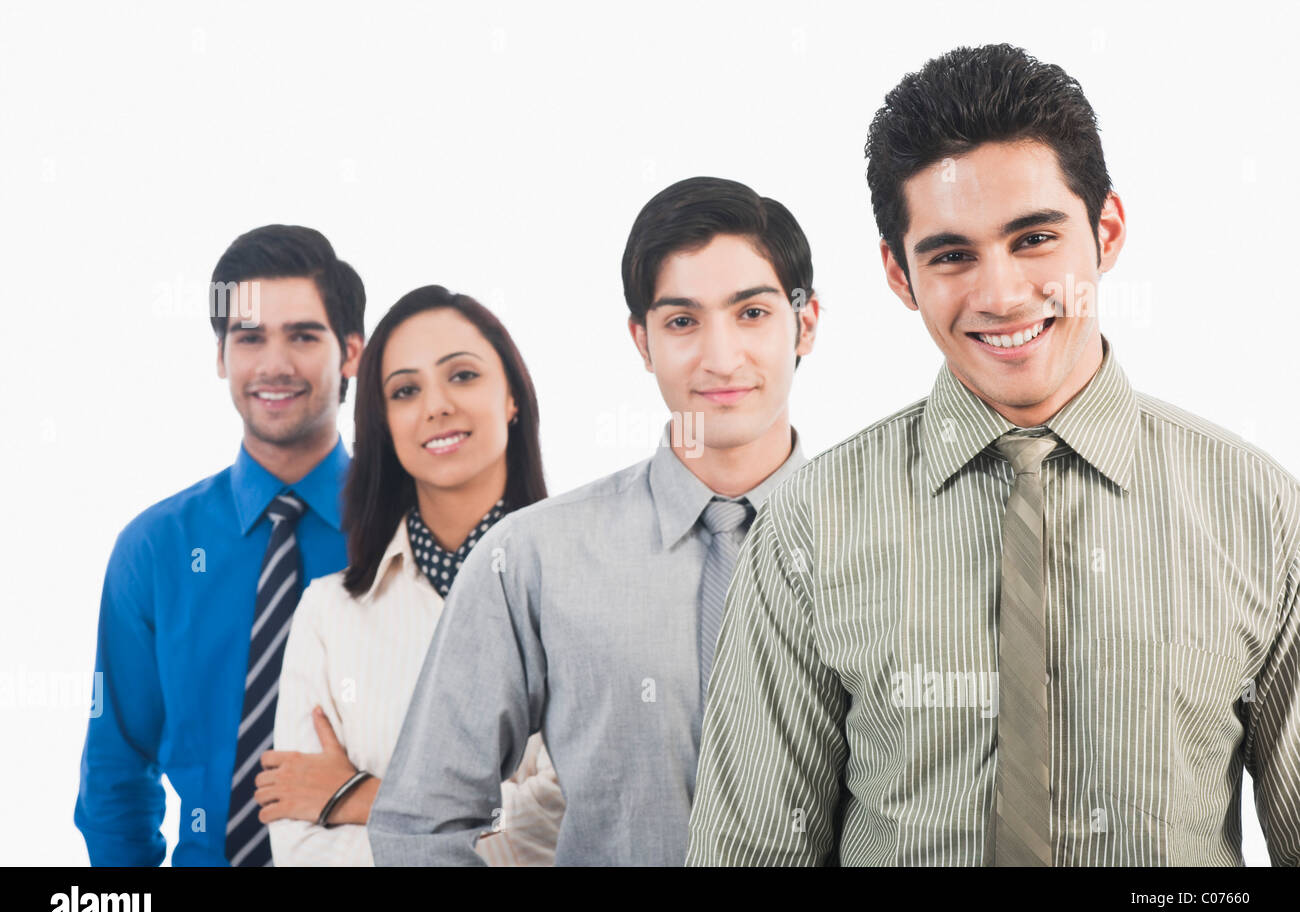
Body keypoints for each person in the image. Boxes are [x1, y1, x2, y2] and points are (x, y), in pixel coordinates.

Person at [685, 43, 1300, 867]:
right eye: (951, 255)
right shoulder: (808, 525)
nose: (1002, 294)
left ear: (1105, 230)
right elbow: (750, 853)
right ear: (900, 276)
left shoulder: (1255, 508)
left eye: (1035, 237)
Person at [367, 176, 820, 865]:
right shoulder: (532, 557)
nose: (721, 357)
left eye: (752, 313)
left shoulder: (892, 540)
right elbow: (420, 823)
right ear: (642, 342)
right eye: (682, 321)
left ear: (805, 324)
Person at [74, 225, 365, 866]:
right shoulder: (153, 551)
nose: (274, 364)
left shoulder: (403, 534)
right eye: (249, 337)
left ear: (350, 353)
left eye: (303, 335)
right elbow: (116, 783)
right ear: (220, 355)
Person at [253, 285, 563, 865]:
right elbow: (300, 846)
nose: (436, 405)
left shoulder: (582, 590)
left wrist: (355, 794)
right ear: (385, 426)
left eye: (463, 376)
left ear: (513, 398)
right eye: (405, 391)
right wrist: (479, 821)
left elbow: (570, 816)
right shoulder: (328, 612)